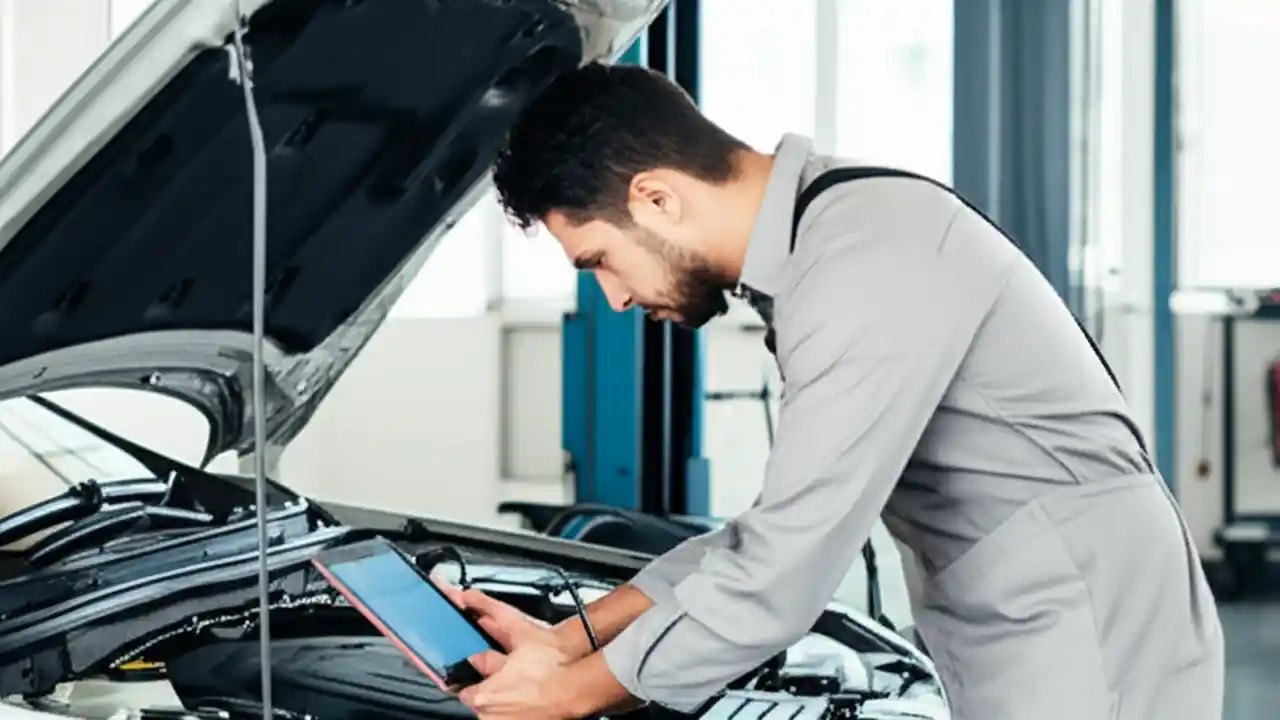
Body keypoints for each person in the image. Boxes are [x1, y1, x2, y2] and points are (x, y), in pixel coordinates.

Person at [445, 61, 1225, 720]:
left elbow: (783, 571)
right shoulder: (828, 242)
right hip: (1033, 618)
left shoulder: (865, 259)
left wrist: (572, 696)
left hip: (1092, 630)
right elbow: (771, 535)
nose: (613, 298)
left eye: (600, 261)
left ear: (656, 198)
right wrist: (568, 641)